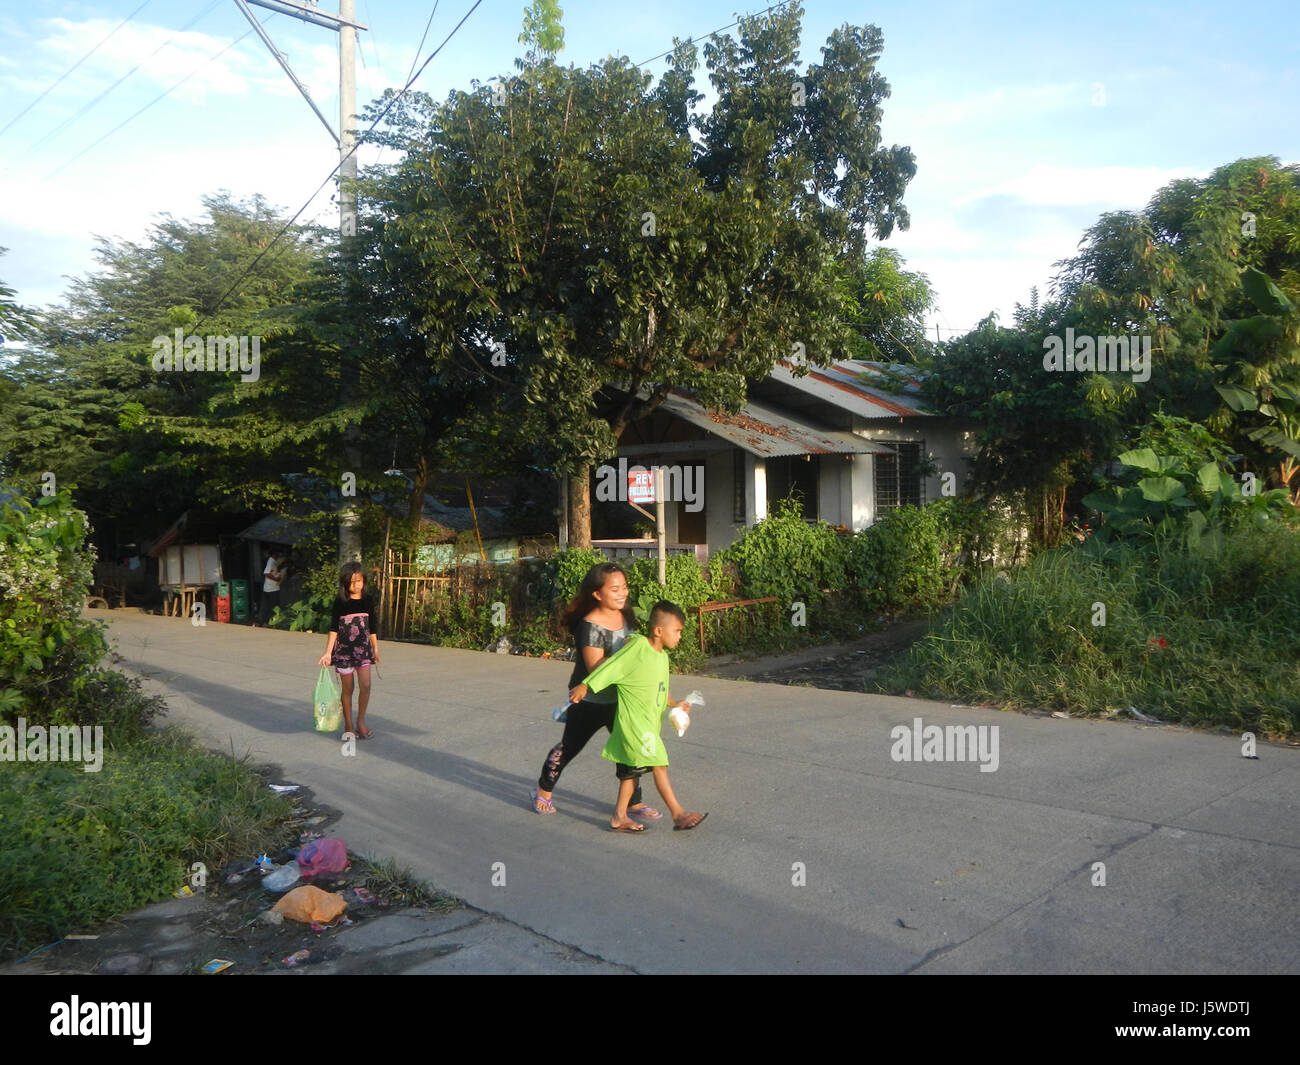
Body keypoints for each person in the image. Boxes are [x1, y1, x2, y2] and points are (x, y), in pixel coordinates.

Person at [531, 563, 660, 821]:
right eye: (614, 589)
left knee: (629, 748)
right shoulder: (589, 626)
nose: (622, 593)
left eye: (624, 587)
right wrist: (635, 669)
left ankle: (634, 802)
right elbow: (597, 668)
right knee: (569, 747)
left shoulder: (627, 616)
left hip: (621, 699)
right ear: (597, 594)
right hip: (588, 700)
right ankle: (543, 792)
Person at [569, 600, 708, 833]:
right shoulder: (638, 648)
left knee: (631, 772)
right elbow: (611, 667)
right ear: (658, 630)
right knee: (659, 763)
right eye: (677, 631)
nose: (679, 636)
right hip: (634, 725)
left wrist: (675, 703)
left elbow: (660, 690)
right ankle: (679, 814)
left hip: (647, 726)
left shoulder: (662, 657)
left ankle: (619, 817)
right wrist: (586, 685)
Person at [317, 562, 381, 739]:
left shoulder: (368, 600)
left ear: (364, 581)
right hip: (344, 653)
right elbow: (333, 629)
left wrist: (375, 648)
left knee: (366, 685)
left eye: (359, 581)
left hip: (363, 651)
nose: (355, 585)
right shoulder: (341, 602)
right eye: (351, 582)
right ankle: (349, 725)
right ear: (345, 583)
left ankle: (360, 721)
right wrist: (328, 653)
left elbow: (372, 627)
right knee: (348, 689)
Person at [260, 551, 286, 626]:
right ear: (275, 554)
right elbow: (266, 573)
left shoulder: (273, 562)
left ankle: (269, 622)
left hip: (270, 588)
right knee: (273, 607)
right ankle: (270, 622)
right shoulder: (271, 561)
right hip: (272, 589)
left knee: (270, 606)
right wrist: (276, 579)